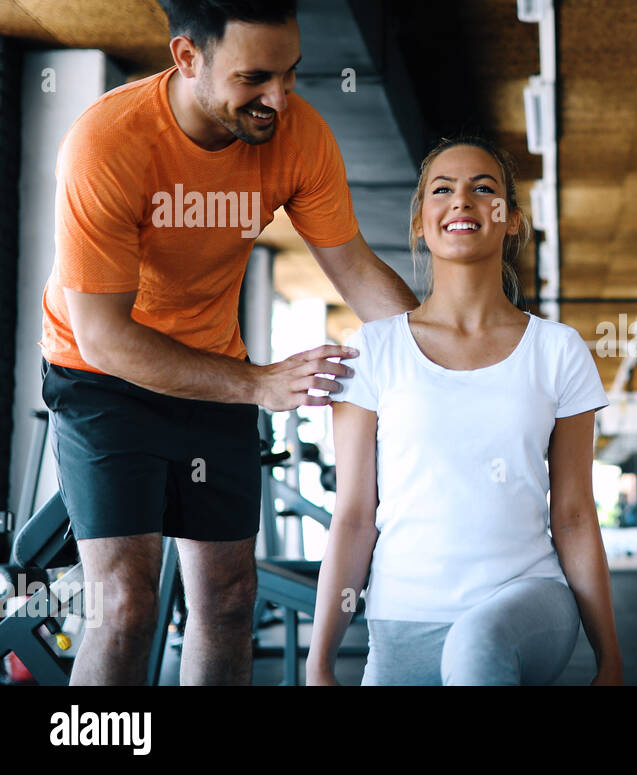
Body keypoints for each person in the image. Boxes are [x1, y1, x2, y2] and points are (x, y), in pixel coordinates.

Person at [38, 0, 418, 685]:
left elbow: (356, 270)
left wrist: (454, 364)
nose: (280, 97)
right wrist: (258, 383)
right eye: (255, 78)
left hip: (212, 374)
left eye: (292, 73)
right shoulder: (108, 142)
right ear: (188, 58)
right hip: (103, 378)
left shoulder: (298, 134)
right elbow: (102, 336)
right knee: (124, 604)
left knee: (229, 598)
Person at [305, 136, 623, 686]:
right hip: (402, 618)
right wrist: (320, 662)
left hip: (526, 600)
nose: (462, 201)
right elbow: (355, 515)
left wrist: (610, 660)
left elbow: (572, 514)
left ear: (512, 220)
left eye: (484, 189)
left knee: (478, 650)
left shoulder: (557, 349)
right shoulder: (375, 350)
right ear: (420, 223)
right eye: (442, 190)